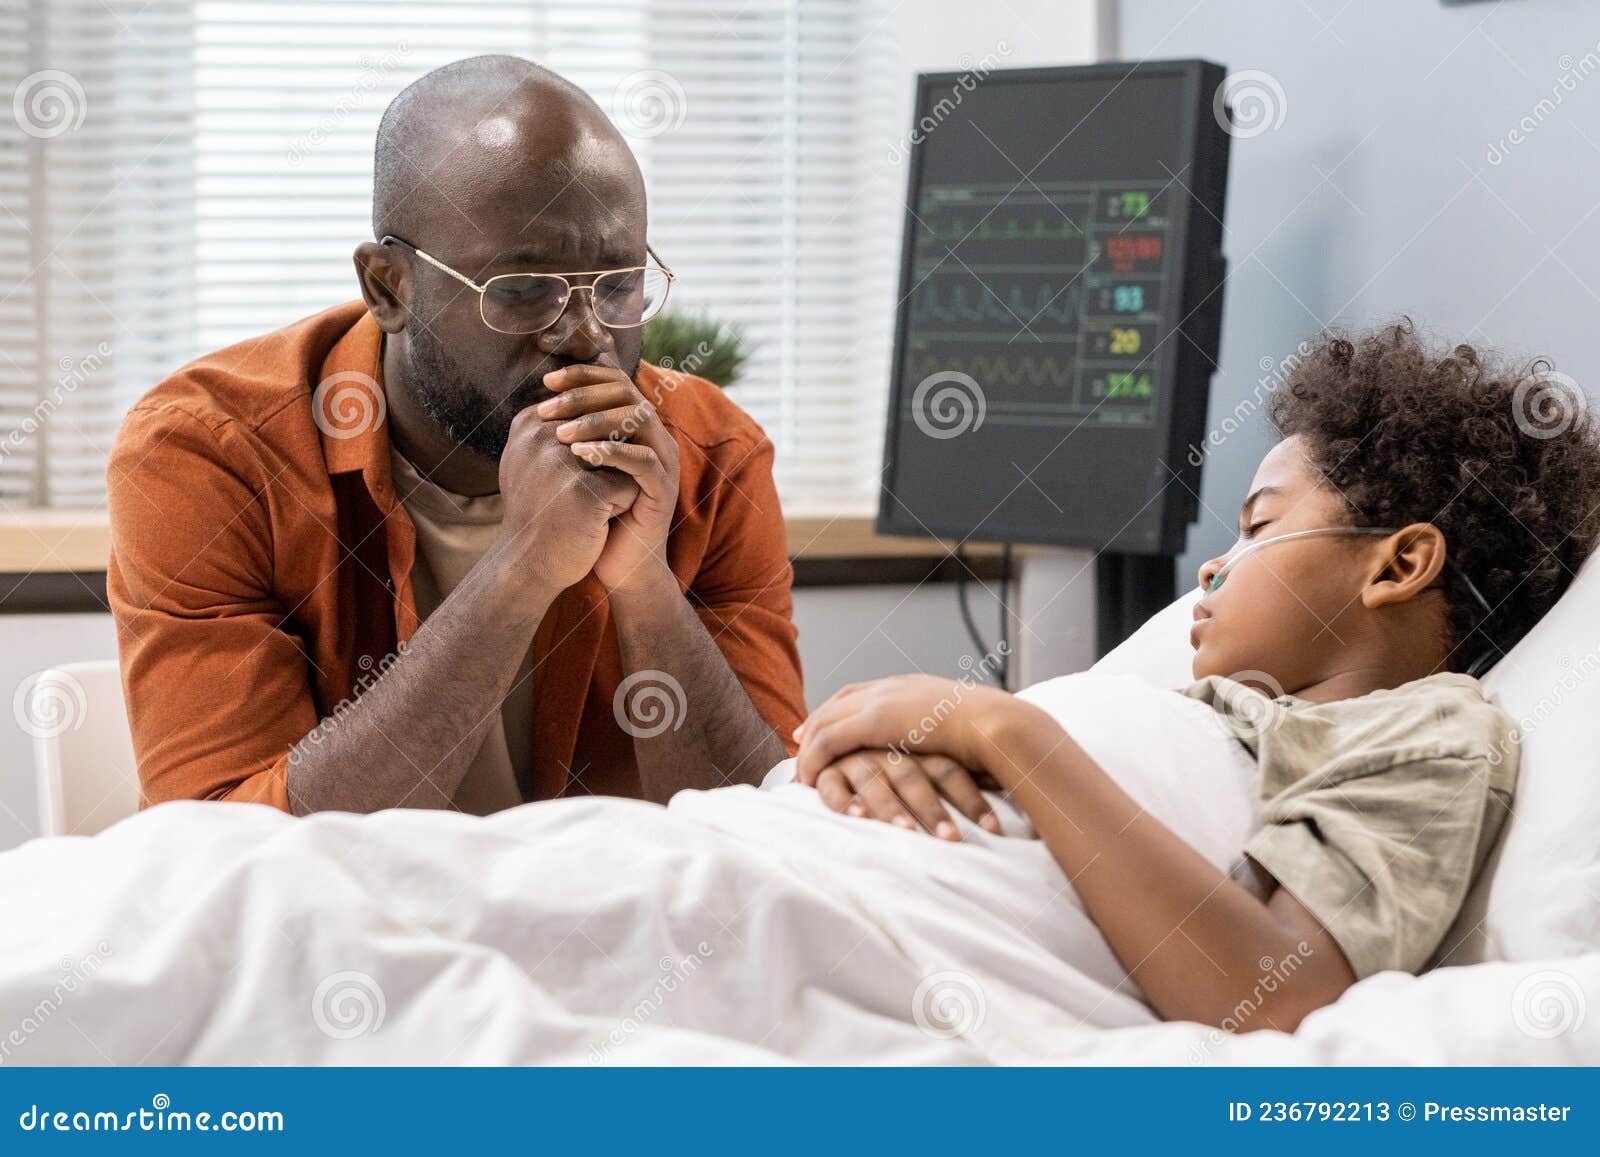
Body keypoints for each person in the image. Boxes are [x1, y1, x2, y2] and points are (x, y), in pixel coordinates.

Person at [794, 322, 1600, 1029]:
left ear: (1400, 564)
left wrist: (1000, 731)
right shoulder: (1202, 710)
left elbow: (1275, 995)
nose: (1214, 564)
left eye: (1259, 526)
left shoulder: (1427, 734)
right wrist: (893, 762)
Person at [106, 55, 803, 816]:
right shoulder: (214, 454)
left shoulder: (715, 457)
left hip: (610, 927)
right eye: (524, 289)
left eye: (618, 283)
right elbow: (229, 848)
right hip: (347, 933)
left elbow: (773, 829)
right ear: (389, 287)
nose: (584, 337)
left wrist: (644, 583)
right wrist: (523, 565)